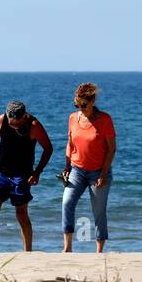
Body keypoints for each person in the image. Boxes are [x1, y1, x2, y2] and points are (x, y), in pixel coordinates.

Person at [0, 101, 53, 252]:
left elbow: (48, 148)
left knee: (21, 212)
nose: (14, 127)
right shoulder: (2, 120)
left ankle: (27, 251)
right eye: (12, 124)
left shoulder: (34, 125)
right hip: (1, 171)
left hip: (22, 174)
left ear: (24, 117)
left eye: (17, 125)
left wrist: (37, 172)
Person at [61, 83, 116, 253]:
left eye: (83, 105)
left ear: (92, 101)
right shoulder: (73, 118)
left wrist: (104, 174)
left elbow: (111, 149)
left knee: (99, 211)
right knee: (67, 203)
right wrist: (67, 166)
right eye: (77, 105)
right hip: (77, 170)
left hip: (98, 172)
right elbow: (70, 144)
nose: (80, 108)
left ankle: (99, 251)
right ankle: (67, 248)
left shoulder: (105, 120)